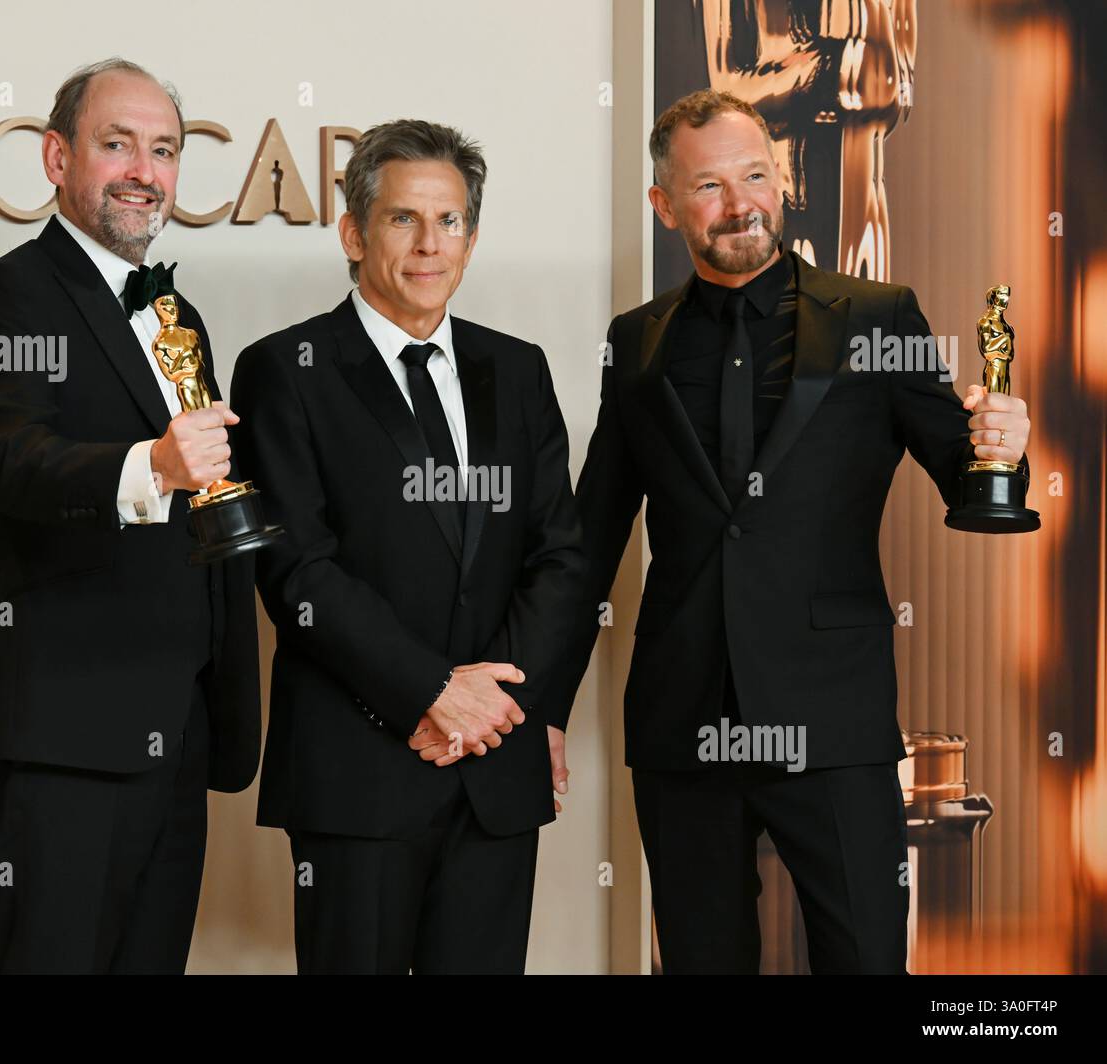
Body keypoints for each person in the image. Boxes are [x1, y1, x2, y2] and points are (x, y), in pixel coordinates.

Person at [545, 89, 1032, 974]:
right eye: (709, 188)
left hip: (833, 722)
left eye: (756, 177)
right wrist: (544, 701)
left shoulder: (879, 319)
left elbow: (969, 479)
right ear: (664, 205)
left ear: (783, 179)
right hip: (682, 719)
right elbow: (590, 537)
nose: (740, 206)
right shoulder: (637, 341)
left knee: (866, 958)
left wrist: (1004, 452)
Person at [231, 118, 584, 974]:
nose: (431, 244)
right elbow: (295, 569)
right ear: (353, 233)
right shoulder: (287, 368)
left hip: (493, 773)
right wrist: (431, 692)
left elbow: (560, 557)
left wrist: (489, 711)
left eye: (450, 220)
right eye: (402, 219)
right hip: (359, 772)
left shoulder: (520, 368)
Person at [0, 58, 261, 974]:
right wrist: (152, 463)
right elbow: (7, 461)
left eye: (162, 150)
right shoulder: (5, 293)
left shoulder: (176, 313)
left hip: (177, 727)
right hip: (61, 733)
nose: (143, 170)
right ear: (55, 156)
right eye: (116, 143)